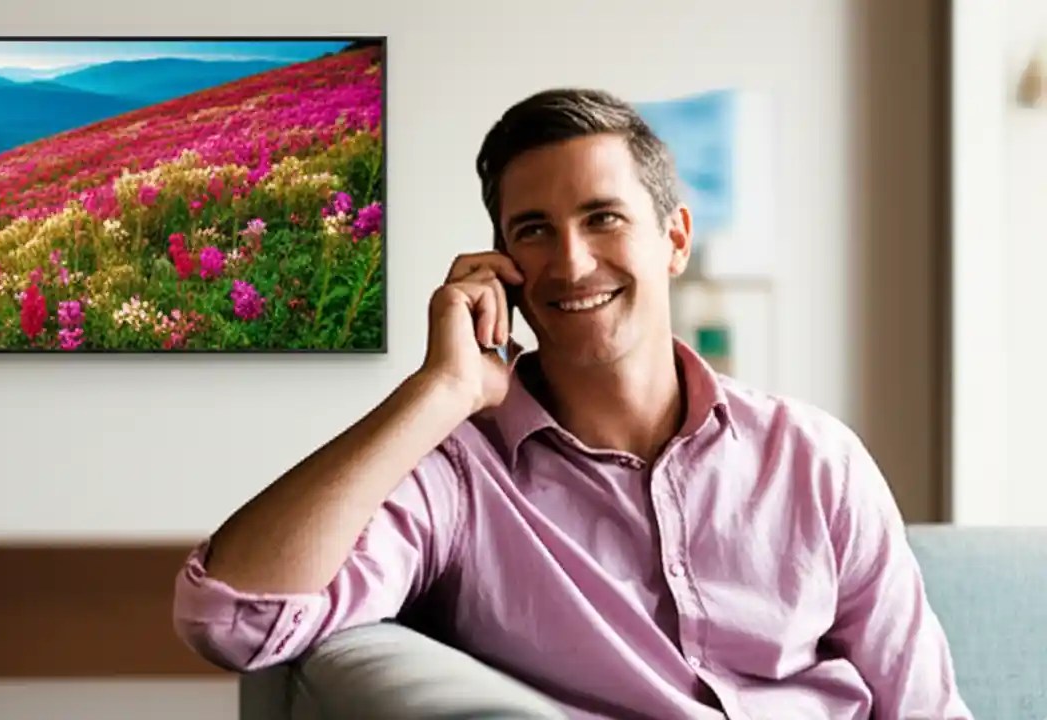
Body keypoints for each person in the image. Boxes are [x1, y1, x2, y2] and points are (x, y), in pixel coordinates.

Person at [172, 88, 971, 720]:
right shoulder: (459, 479)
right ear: (500, 267)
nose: (572, 262)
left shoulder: (815, 458)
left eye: (603, 218)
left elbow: (924, 707)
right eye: (533, 231)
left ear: (675, 239)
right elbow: (235, 617)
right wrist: (439, 391)